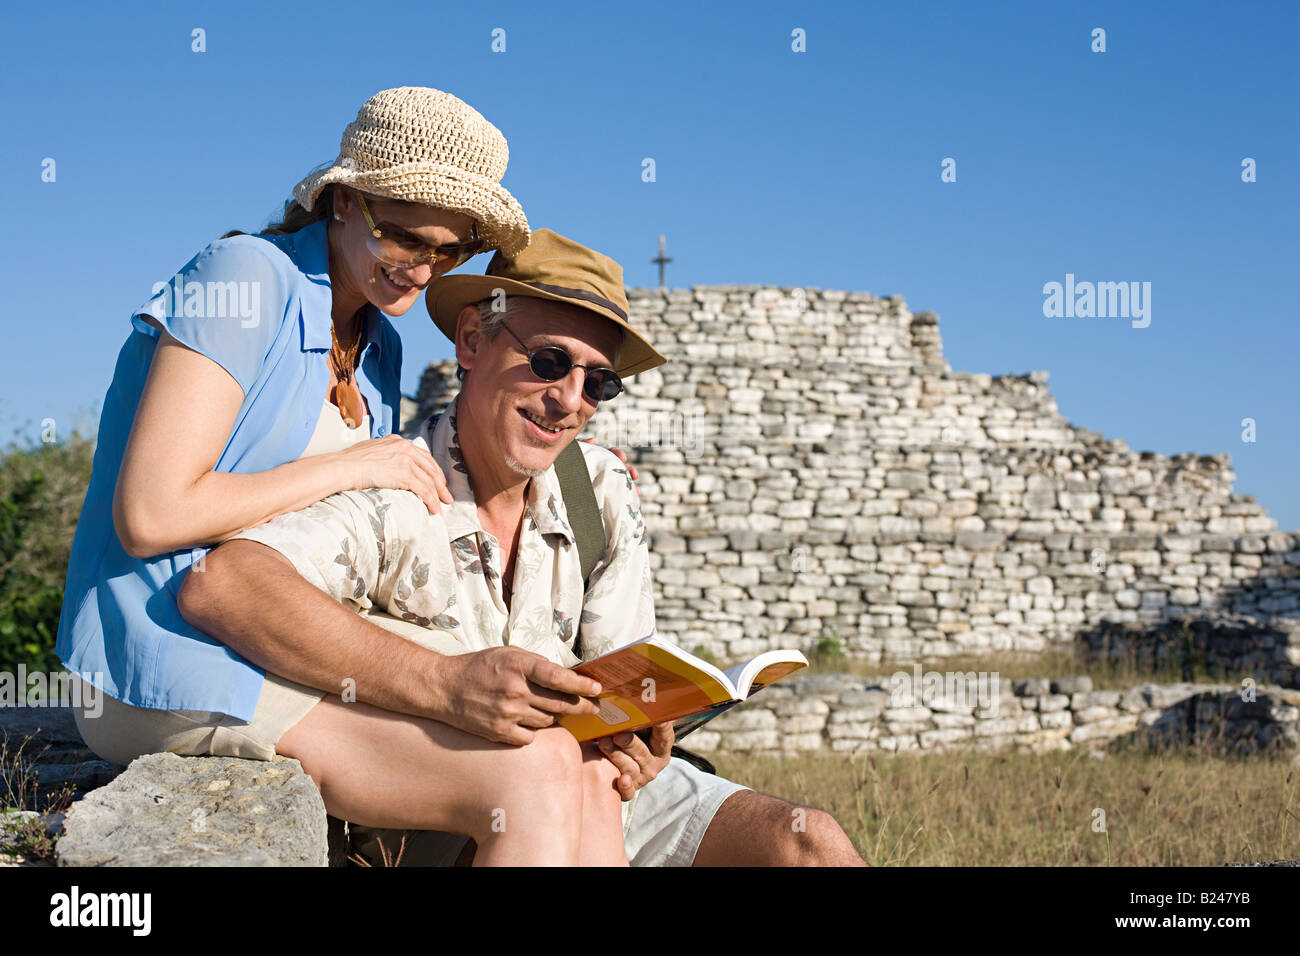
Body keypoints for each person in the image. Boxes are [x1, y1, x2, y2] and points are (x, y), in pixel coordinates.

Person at [179, 230, 866, 866]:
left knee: (811, 844)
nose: (568, 399)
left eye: (598, 382)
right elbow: (226, 584)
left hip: (594, 781)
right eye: (549, 361)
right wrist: (444, 684)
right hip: (461, 798)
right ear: (472, 342)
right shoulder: (398, 486)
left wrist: (642, 739)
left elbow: (620, 674)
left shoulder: (597, 486)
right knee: (560, 780)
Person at [55, 87, 531, 763]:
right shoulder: (245, 277)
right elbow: (151, 515)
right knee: (518, 764)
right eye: (402, 236)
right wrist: (351, 465)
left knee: (529, 720)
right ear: (342, 201)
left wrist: (567, 470)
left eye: (450, 253)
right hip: (166, 659)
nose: (422, 271)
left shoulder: (378, 341)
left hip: (285, 637)